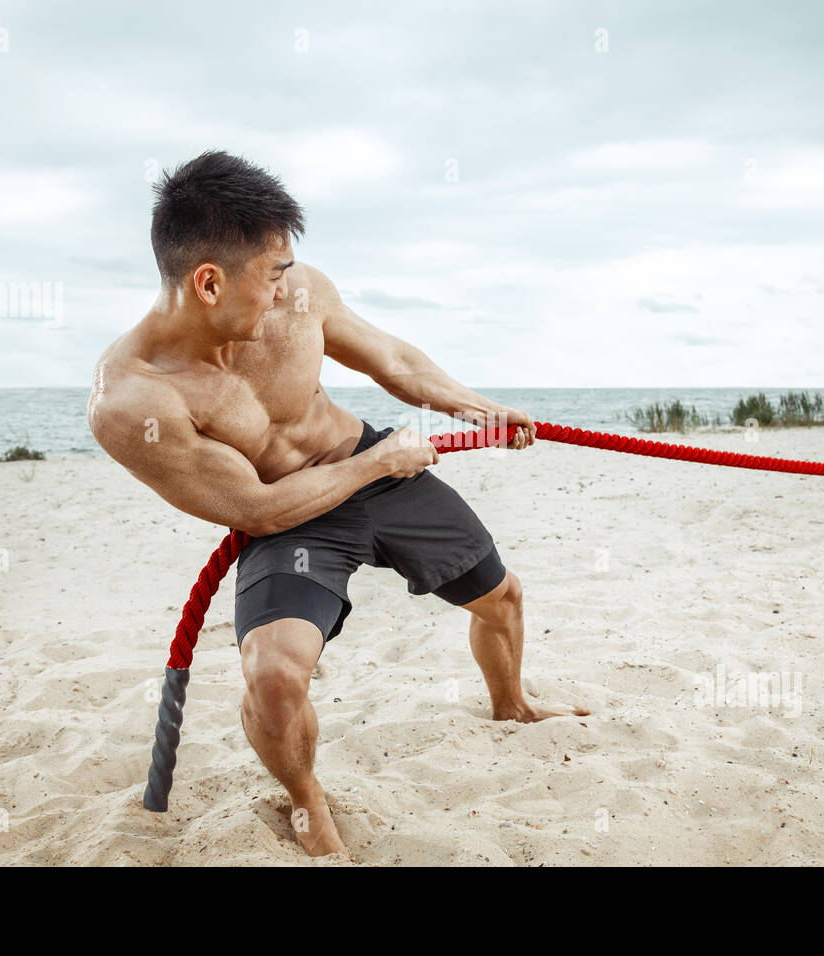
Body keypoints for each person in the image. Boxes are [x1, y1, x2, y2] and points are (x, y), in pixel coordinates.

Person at [88, 150, 589, 857]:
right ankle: (306, 796)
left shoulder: (298, 296)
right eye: (271, 275)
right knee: (273, 677)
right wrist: (381, 461)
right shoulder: (132, 401)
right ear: (208, 283)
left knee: (502, 598)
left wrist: (479, 409)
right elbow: (259, 511)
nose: (285, 289)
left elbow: (396, 363)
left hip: (374, 470)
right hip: (292, 517)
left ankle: (511, 702)